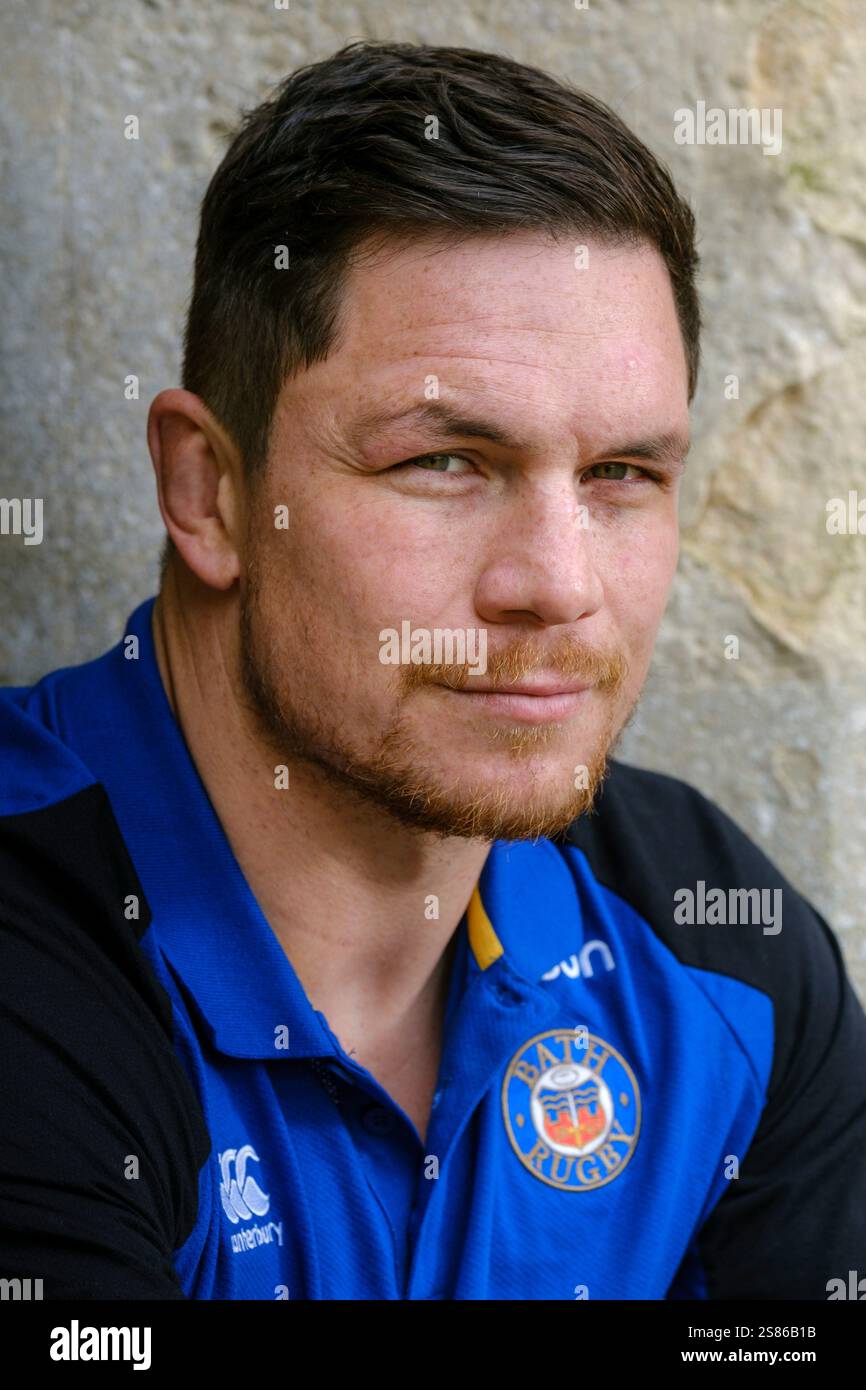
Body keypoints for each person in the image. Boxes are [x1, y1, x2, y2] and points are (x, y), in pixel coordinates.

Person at [1, 40, 863, 1302]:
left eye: (622, 473)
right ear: (211, 490)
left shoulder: (714, 952)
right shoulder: (37, 968)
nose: (557, 584)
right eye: (445, 462)